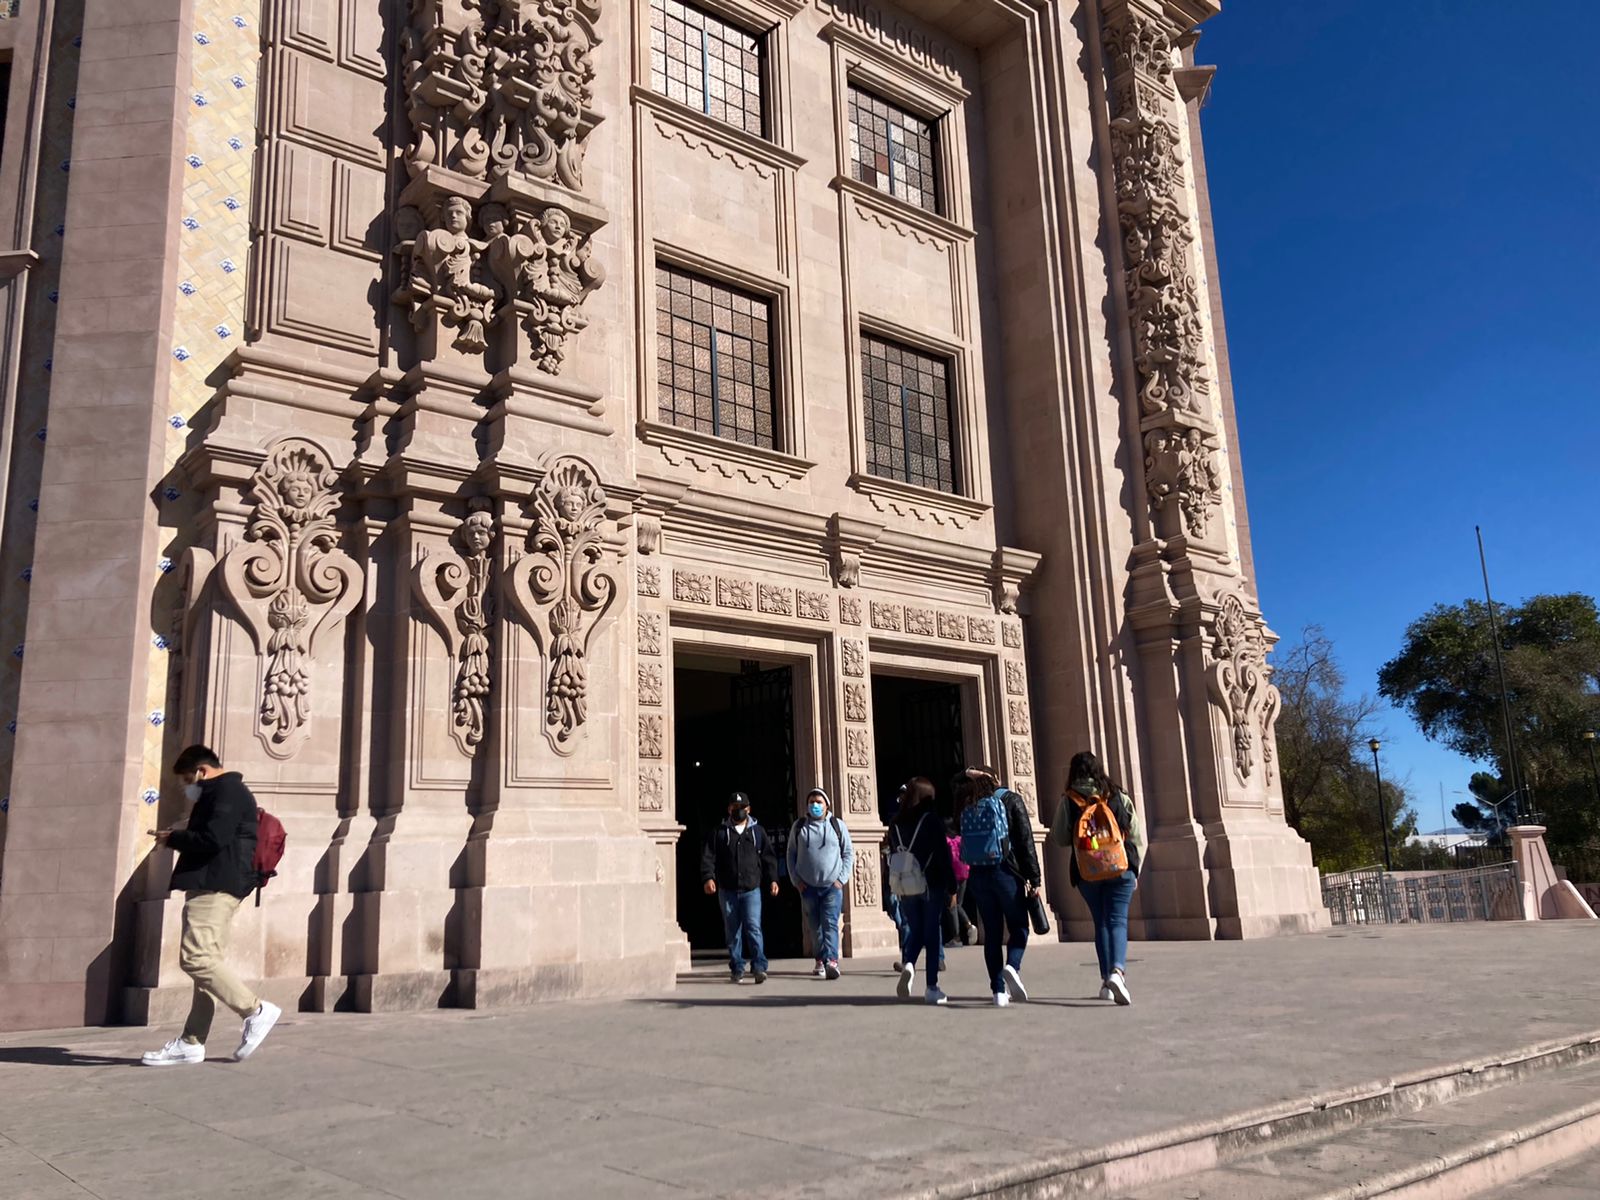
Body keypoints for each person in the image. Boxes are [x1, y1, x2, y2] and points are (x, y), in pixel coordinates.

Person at [142, 745, 282, 1066]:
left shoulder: (226, 791)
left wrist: (174, 838)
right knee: (206, 964)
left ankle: (255, 1010)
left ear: (202, 771)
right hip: (217, 883)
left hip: (215, 884)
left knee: (196, 958)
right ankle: (192, 1041)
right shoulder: (224, 792)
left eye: (187, 780)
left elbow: (213, 838)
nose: (186, 788)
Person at [1051, 751, 1145, 1005]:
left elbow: (1059, 838)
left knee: (1101, 922)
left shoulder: (1069, 800)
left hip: (1087, 872)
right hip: (1120, 866)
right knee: (1118, 921)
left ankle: (1106, 981)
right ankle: (1117, 971)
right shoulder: (1117, 794)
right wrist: (1135, 868)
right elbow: (1135, 833)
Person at [957, 765, 1041, 1007]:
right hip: (1006, 872)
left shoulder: (968, 804)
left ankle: (998, 992)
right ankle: (1012, 966)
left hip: (978, 875)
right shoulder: (1010, 799)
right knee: (1019, 927)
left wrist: (969, 776)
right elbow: (1025, 840)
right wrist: (1034, 878)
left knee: (992, 933)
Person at [888, 778, 956, 1005]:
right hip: (930, 882)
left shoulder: (895, 823)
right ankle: (931, 986)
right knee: (931, 933)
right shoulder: (931, 821)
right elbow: (942, 855)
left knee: (915, 930)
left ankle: (908, 964)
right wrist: (952, 885)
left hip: (905, 884)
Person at [700, 791, 779, 984]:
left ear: (748, 809)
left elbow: (768, 858)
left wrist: (773, 880)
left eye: (741, 808)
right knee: (732, 931)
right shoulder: (720, 832)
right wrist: (708, 877)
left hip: (751, 889)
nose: (738, 811)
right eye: (734, 808)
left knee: (753, 927)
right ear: (729, 809)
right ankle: (737, 967)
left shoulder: (757, 832)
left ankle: (759, 966)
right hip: (727, 890)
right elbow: (708, 857)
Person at [788, 787, 853, 980]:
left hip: (831, 887)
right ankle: (820, 959)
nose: (815, 805)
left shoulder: (837, 825)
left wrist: (841, 879)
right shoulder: (799, 826)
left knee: (830, 923)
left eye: (819, 802)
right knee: (814, 926)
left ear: (827, 805)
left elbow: (848, 852)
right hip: (807, 887)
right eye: (812, 802)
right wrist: (796, 880)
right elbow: (790, 854)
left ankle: (832, 960)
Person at [942, 817, 975, 948]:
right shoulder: (961, 839)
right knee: (958, 904)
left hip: (953, 876)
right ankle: (969, 926)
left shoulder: (946, 841)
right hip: (965, 873)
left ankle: (956, 937)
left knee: (952, 906)